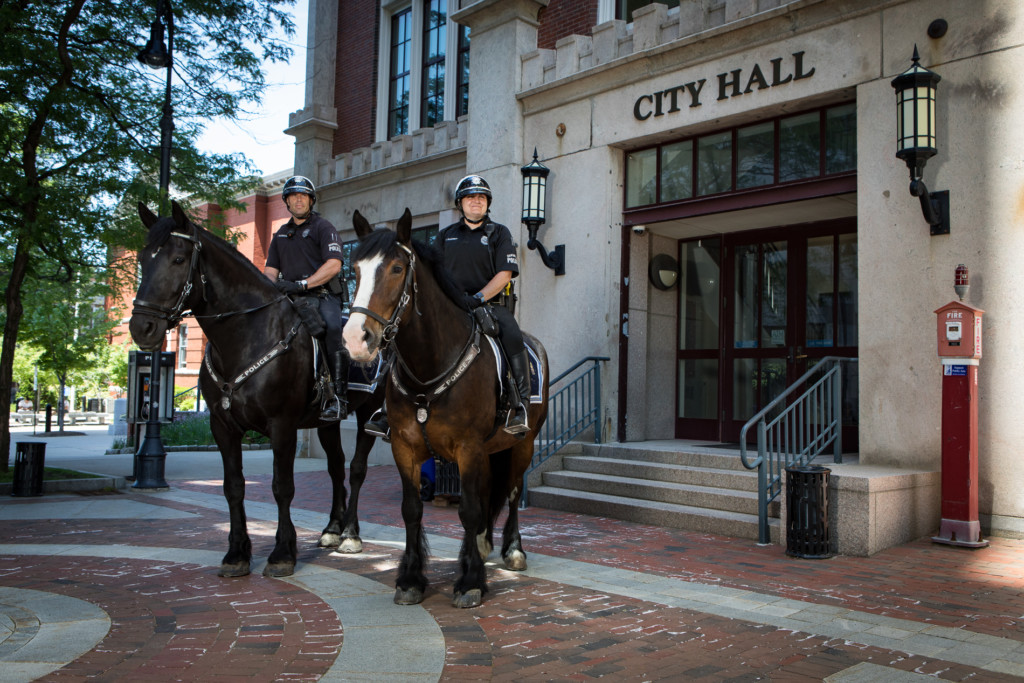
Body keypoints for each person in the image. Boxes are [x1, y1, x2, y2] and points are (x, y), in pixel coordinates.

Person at [364, 174, 530, 440]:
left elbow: (505, 274)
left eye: (481, 197)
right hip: (449, 305)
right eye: (470, 197)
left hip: (487, 303)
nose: (476, 202)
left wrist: (478, 297)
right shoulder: (445, 236)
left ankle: (520, 404)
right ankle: (385, 409)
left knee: (511, 334)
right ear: (460, 204)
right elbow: (431, 272)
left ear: (488, 203)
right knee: (403, 339)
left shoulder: (499, 233)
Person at [263, 175, 348, 421]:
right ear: (286, 201)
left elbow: (334, 265)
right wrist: (266, 290)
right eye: (293, 196)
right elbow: (270, 272)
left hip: (322, 297)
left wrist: (302, 284)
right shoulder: (280, 234)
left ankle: (339, 398)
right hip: (289, 297)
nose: (298, 200)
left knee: (333, 328)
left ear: (311, 200)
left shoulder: (324, 227)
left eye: (303, 195)